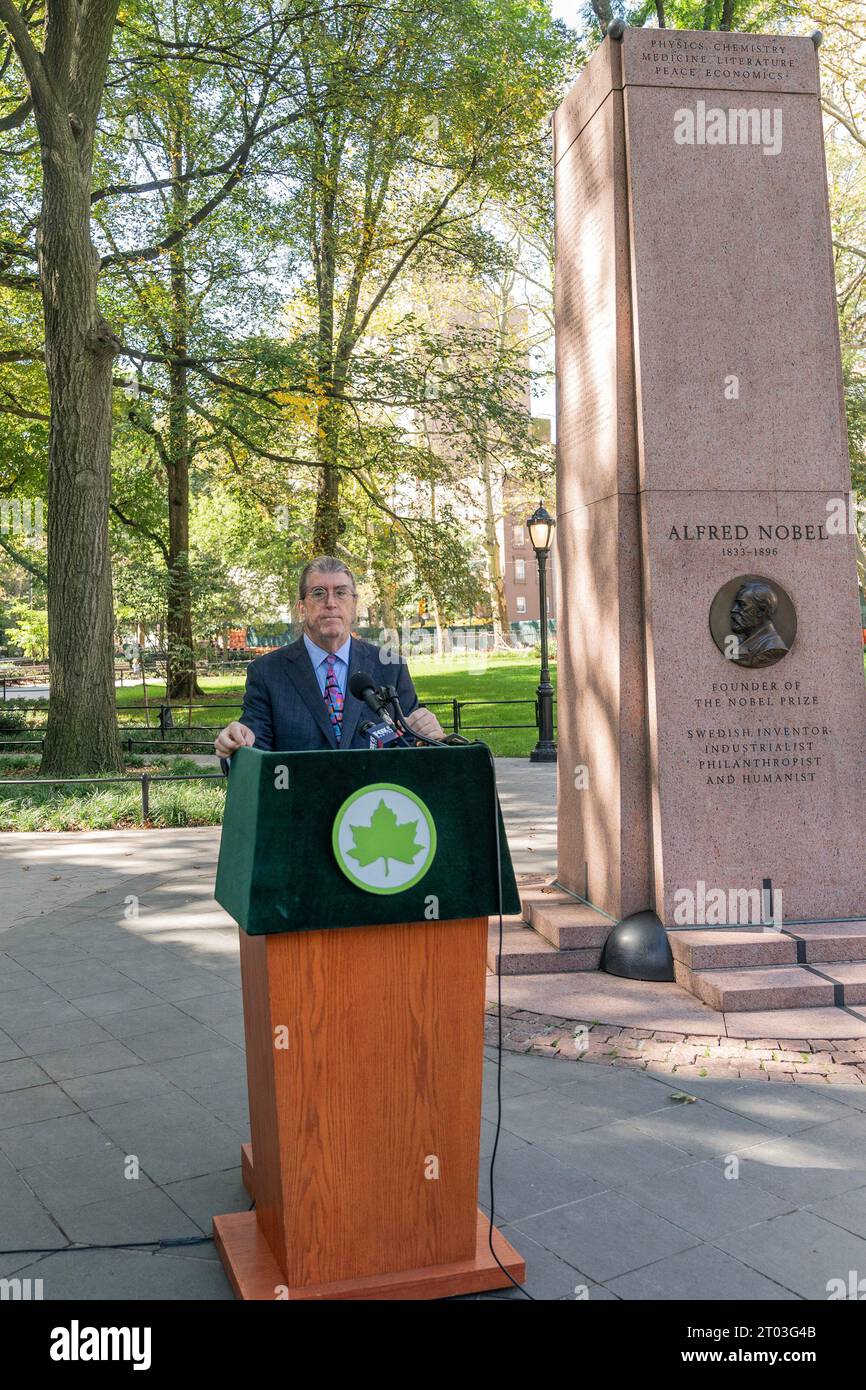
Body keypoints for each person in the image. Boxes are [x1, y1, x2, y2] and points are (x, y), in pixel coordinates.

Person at [214, 556, 444, 759]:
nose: (331, 603)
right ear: (301, 608)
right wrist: (235, 745)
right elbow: (253, 750)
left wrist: (429, 737)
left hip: (376, 794)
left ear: (354, 604)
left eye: (341, 593)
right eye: (319, 593)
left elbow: (412, 746)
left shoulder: (391, 667)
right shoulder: (267, 672)